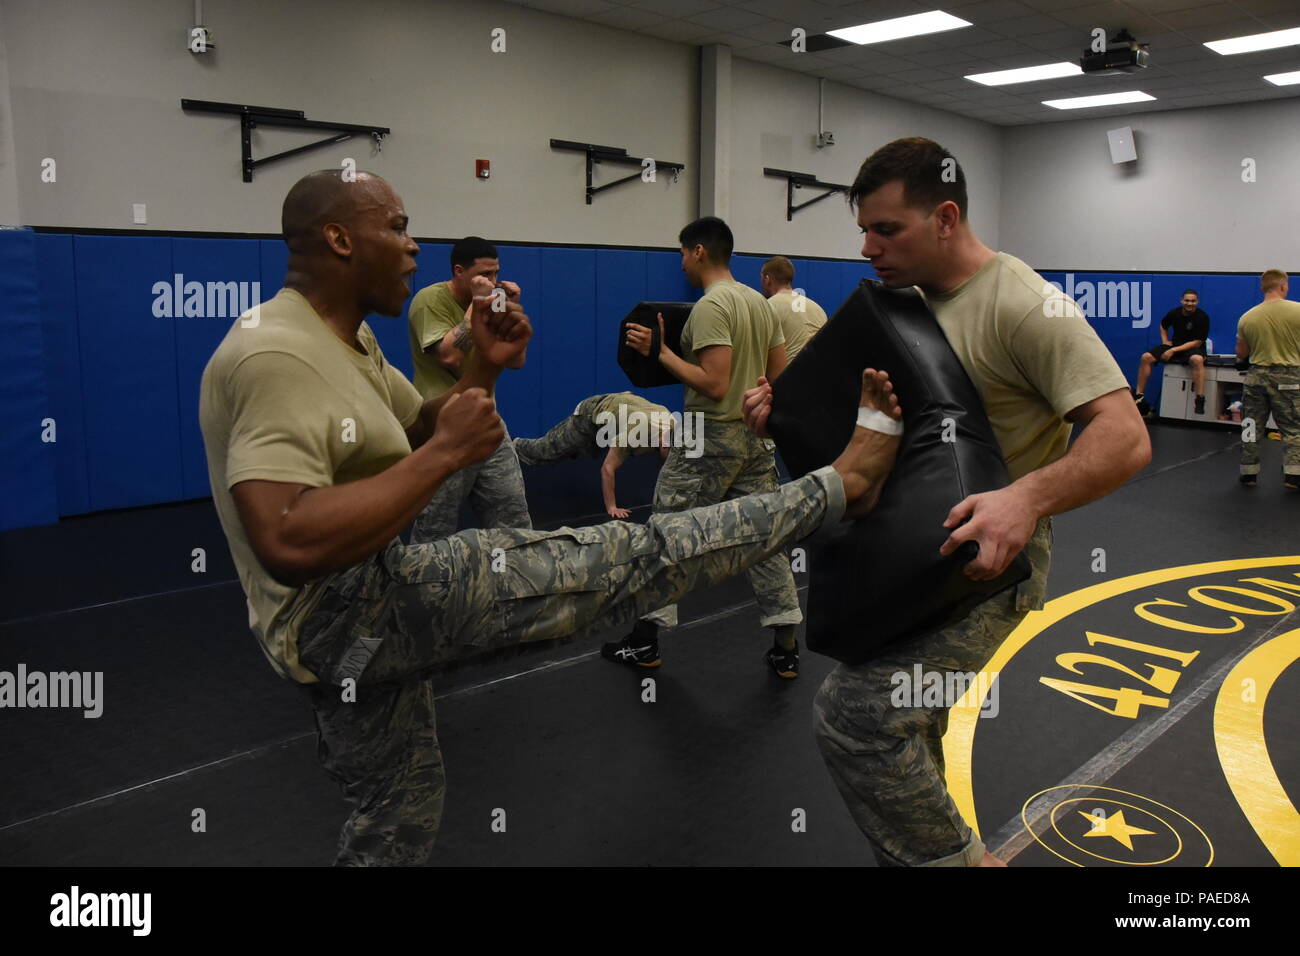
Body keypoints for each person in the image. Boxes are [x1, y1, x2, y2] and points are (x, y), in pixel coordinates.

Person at [198, 169, 904, 865]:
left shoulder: (348, 341)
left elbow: (417, 427)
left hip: (348, 634)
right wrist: (443, 457)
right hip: (346, 610)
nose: (413, 246)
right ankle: (840, 484)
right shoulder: (275, 351)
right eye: (397, 226)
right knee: (639, 555)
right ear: (339, 238)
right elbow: (285, 535)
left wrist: (485, 363)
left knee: (397, 805)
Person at [743, 137, 1150, 867]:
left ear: (946, 217)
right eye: (863, 229)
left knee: (859, 718)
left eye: (887, 229)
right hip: (896, 548)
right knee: (909, 742)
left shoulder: (1025, 304)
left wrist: (1024, 499)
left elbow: (1124, 438)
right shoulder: (898, 299)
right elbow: (870, 417)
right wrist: (782, 410)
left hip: (982, 570)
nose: (868, 246)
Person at [617, 217, 804, 679]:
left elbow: (715, 383)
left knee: (666, 528)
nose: (681, 263)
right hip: (756, 438)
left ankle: (645, 642)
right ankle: (785, 646)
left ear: (699, 251)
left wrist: (660, 351)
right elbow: (778, 378)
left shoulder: (710, 307)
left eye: (682, 253)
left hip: (708, 433)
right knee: (764, 536)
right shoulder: (761, 306)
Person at [406, 236, 531, 542]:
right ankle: (424, 588)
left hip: (486, 417)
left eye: (496, 273)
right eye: (484, 275)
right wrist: (478, 305)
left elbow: (515, 361)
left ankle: (513, 579)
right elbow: (449, 355)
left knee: (512, 517)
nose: (492, 281)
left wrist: (509, 312)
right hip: (442, 422)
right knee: (435, 526)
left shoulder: (494, 300)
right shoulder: (429, 299)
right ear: (459, 271)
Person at [513, 392, 676, 518]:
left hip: (616, 414)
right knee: (546, 452)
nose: (666, 449)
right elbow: (607, 469)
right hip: (590, 415)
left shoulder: (674, 425)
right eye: (665, 447)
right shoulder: (637, 431)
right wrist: (612, 507)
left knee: (581, 452)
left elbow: (670, 462)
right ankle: (514, 446)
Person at [1235, 269, 1300, 489]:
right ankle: (1293, 476)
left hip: (1256, 377)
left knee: (1250, 425)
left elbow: (1241, 353)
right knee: (1294, 428)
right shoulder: (1298, 310)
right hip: (1289, 377)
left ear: (1263, 288)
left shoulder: (1247, 317)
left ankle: (1248, 473)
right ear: (1283, 286)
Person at [1132, 289, 1211, 415]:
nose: (1189, 303)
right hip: (1175, 344)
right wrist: (1165, 342)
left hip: (1193, 348)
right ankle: (1139, 396)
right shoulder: (1174, 313)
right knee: (1146, 357)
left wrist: (1173, 350)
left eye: (1193, 301)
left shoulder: (1203, 317)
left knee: (1197, 359)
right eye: (1187, 300)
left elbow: (1197, 342)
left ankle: (1200, 398)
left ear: (1197, 302)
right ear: (1181, 301)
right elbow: (1163, 325)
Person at [760, 255, 829, 364]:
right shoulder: (818, 308)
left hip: (788, 377)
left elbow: (760, 352)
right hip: (820, 376)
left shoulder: (769, 306)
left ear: (767, 279)